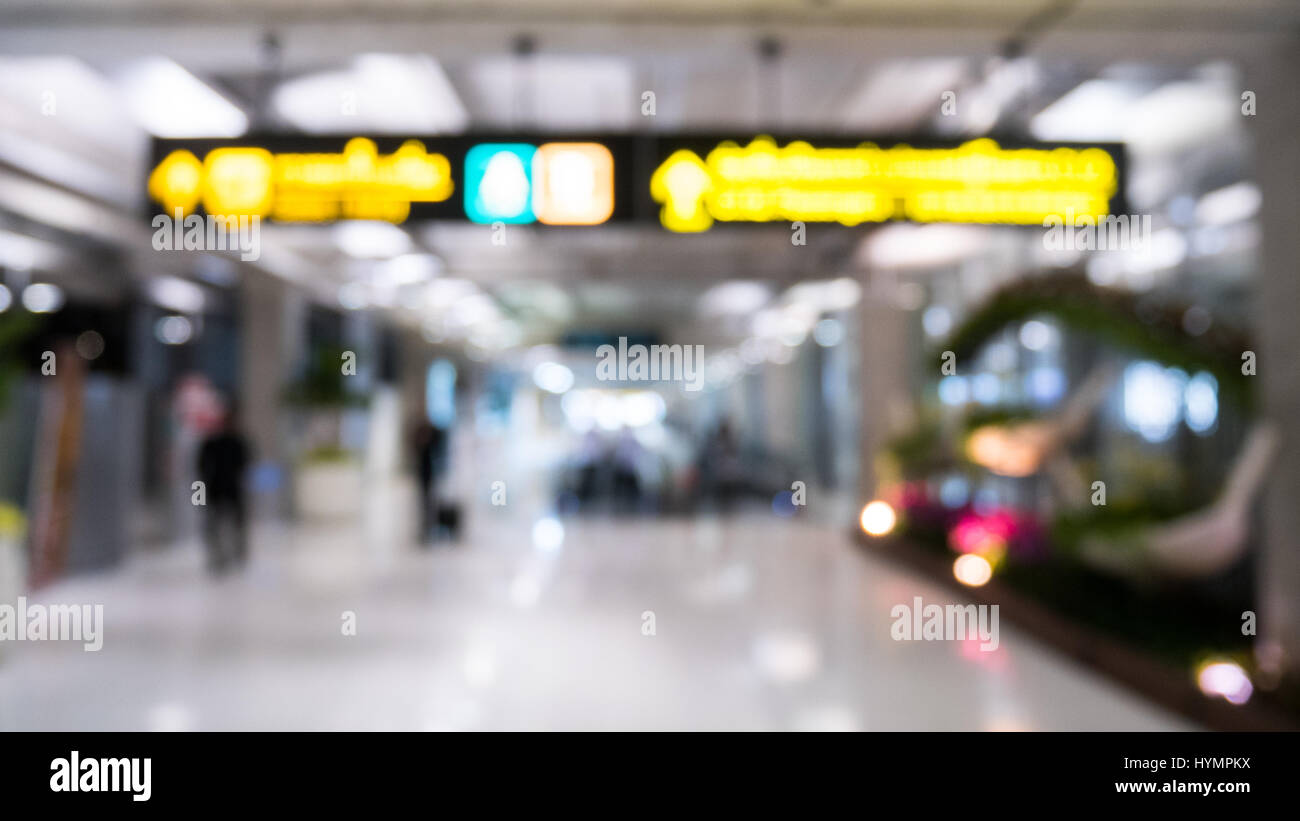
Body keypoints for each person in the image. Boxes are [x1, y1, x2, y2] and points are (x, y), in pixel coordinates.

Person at [197, 402, 251, 574]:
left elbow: (245, 464)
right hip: (218, 488)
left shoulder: (236, 442)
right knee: (217, 522)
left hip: (229, 488)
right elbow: (201, 467)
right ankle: (221, 554)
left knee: (234, 522)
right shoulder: (212, 442)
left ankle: (235, 552)